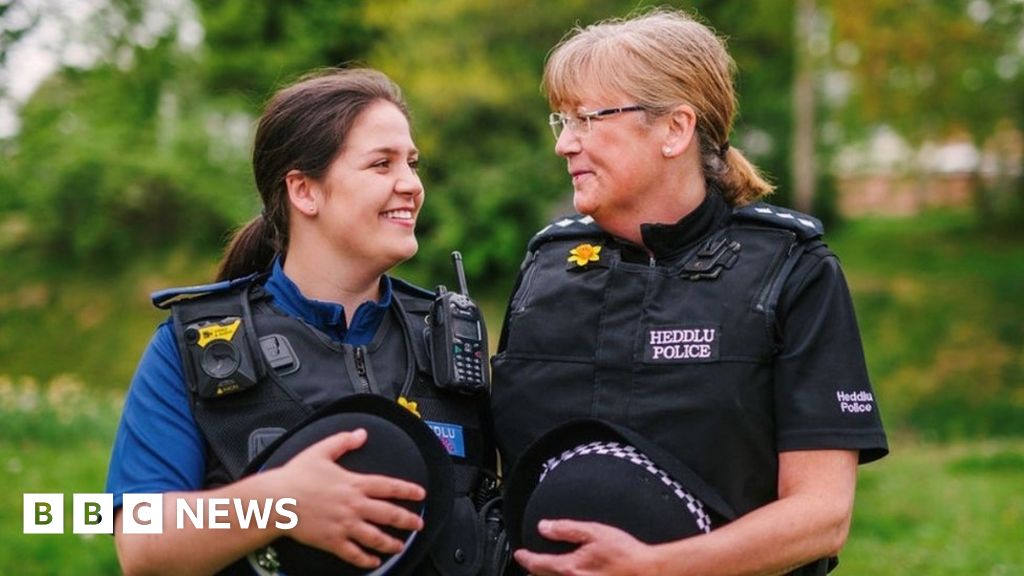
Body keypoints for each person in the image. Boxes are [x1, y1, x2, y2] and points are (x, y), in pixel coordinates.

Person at [490, 8, 888, 576]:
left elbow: (822, 515)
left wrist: (659, 568)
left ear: (675, 129)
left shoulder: (793, 271)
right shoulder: (544, 265)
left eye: (587, 118)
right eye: (562, 121)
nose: (565, 145)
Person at [106, 68, 498, 575]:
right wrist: (279, 504)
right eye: (381, 164)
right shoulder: (193, 347)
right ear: (304, 191)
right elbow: (139, 546)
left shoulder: (451, 339)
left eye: (412, 163)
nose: (412, 185)